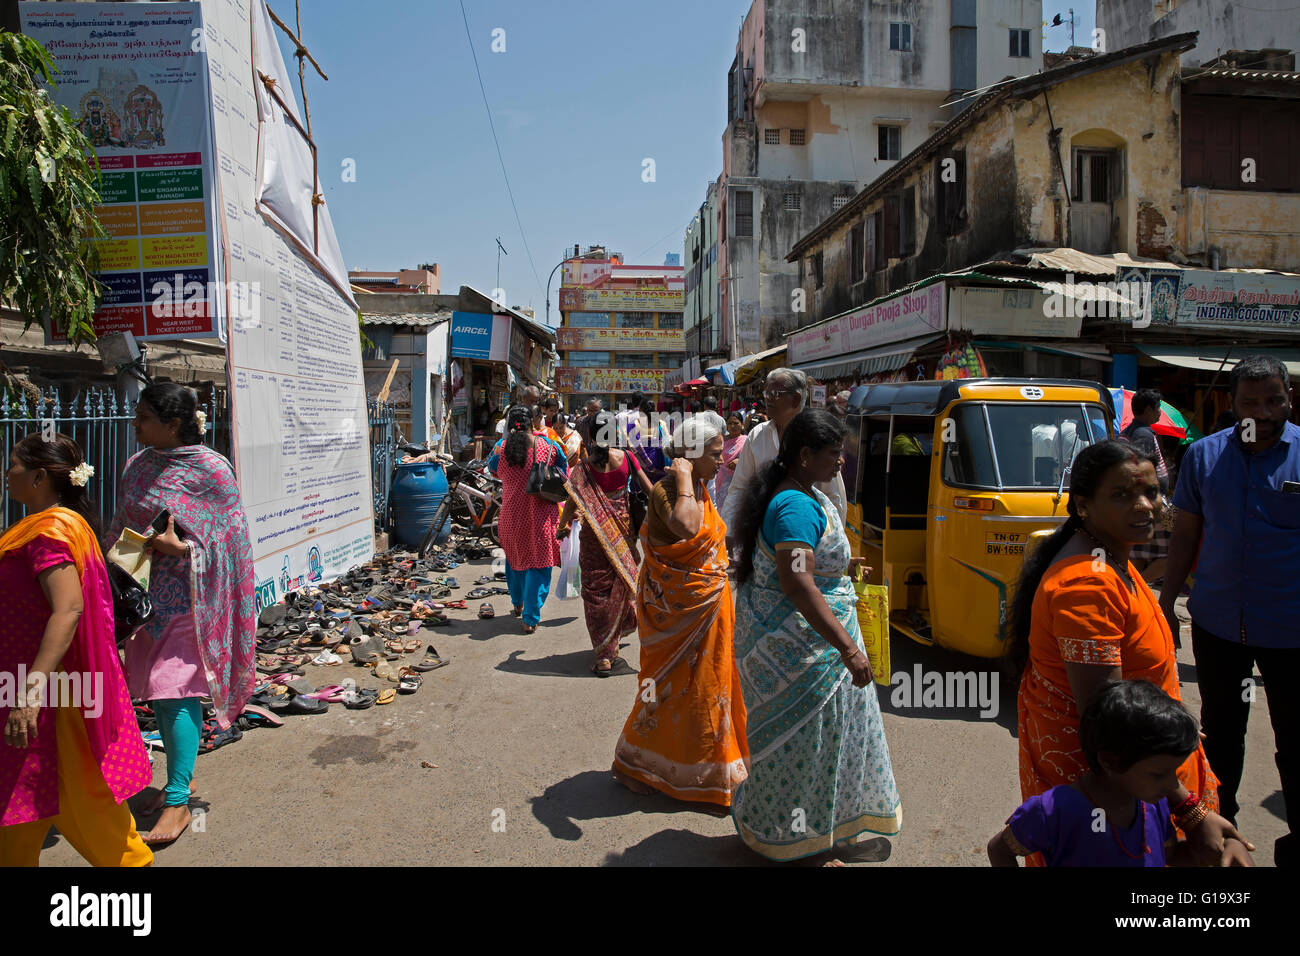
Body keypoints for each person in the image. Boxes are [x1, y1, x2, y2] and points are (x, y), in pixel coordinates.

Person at [1008, 439, 1253, 866]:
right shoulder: (1087, 585)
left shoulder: (1111, 558)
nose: (1144, 505)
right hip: (1113, 792)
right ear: (1083, 505)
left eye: (1152, 492)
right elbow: (1111, 719)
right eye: (1122, 495)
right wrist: (1190, 811)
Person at [731, 409, 900, 862]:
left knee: (819, 746)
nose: (842, 461)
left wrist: (841, 567)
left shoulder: (801, 493)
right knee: (810, 748)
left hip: (801, 645)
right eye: (833, 453)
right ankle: (803, 847)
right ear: (804, 456)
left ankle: (818, 836)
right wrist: (847, 648)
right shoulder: (794, 505)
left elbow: (803, 565)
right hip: (802, 652)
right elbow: (796, 582)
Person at [1161, 354, 1299, 867]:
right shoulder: (1203, 458)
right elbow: (1185, 535)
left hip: (1292, 628)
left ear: (1289, 399)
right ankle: (1221, 833)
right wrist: (1166, 600)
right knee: (1221, 735)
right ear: (1233, 404)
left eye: (1273, 400)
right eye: (1249, 402)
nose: (1262, 412)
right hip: (1218, 624)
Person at [109, 382, 256, 845]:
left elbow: (231, 542)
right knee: (158, 693)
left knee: (173, 692)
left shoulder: (212, 471)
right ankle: (182, 775)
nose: (135, 424)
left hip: (195, 601)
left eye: (144, 417)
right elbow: (122, 522)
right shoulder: (138, 465)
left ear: (172, 425)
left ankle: (176, 803)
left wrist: (184, 548)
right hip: (146, 600)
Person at [0, 434, 154, 866]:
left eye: (11, 465)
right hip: (32, 688)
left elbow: (67, 610)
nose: (5, 474)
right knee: (19, 798)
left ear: (38, 477)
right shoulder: (53, 525)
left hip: (52, 695)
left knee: (89, 802)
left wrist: (29, 694)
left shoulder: (49, 533)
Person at [612, 415, 748, 806]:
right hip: (677, 612)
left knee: (705, 691)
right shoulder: (667, 491)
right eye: (714, 454)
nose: (722, 460)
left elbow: (712, 536)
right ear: (690, 456)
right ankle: (634, 765)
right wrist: (685, 474)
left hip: (707, 608)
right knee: (666, 690)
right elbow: (688, 528)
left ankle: (703, 771)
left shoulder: (701, 487)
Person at [989, 680, 1215, 867]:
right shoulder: (1055, 809)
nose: (1171, 784)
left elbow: (1168, 856)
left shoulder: (1154, 805)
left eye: (1172, 772)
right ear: (1109, 761)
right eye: (1158, 774)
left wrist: (1213, 853)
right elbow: (1000, 849)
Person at [556, 411, 653, 675]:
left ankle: (604, 654)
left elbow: (573, 502)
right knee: (621, 585)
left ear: (590, 435)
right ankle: (613, 642)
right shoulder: (628, 458)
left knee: (596, 592)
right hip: (623, 534)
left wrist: (563, 526)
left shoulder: (584, 468)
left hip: (593, 538)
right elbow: (649, 491)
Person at [722, 368, 846, 546]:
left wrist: (832, 547)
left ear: (795, 399)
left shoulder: (816, 437)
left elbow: (834, 498)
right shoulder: (757, 435)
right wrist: (730, 531)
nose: (767, 397)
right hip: (763, 540)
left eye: (775, 393)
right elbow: (740, 487)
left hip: (807, 538)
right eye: (766, 392)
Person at [488, 405, 568, 632]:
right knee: (540, 564)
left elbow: (493, 470)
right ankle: (530, 618)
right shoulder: (549, 446)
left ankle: (517, 603)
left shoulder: (500, 449)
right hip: (541, 515)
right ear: (532, 422)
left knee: (515, 560)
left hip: (511, 515)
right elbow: (565, 471)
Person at [713, 411, 748, 518]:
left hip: (736, 481)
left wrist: (740, 462)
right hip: (718, 480)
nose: (732, 426)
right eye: (730, 423)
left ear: (742, 424)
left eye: (736, 423)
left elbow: (751, 460)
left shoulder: (746, 440)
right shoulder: (721, 440)